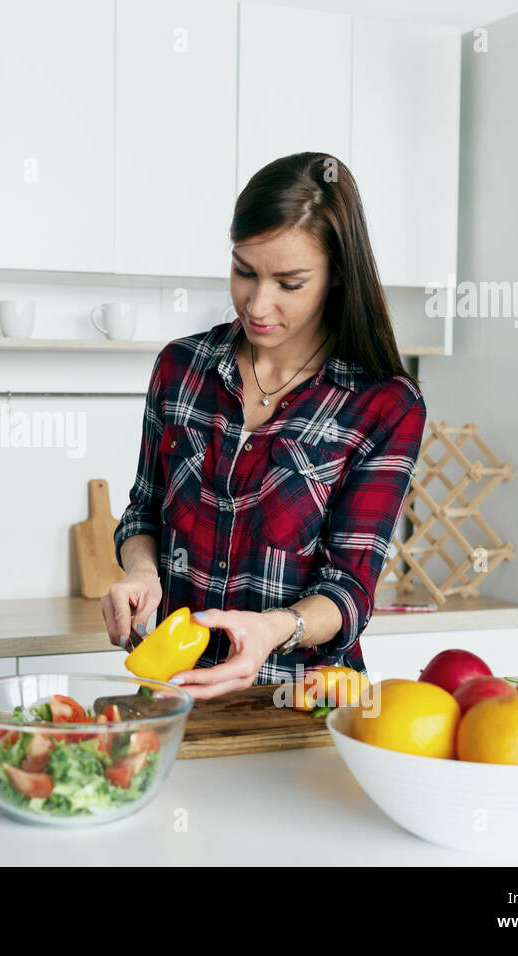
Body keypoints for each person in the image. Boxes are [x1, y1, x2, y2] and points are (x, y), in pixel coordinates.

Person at [103, 152, 427, 701]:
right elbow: (143, 511)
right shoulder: (181, 369)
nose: (258, 303)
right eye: (244, 271)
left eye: (290, 283)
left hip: (302, 704)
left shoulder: (384, 405)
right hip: (174, 694)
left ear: (337, 278)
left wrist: (273, 630)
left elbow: (349, 588)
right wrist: (141, 574)